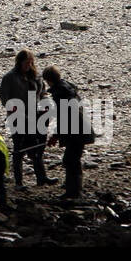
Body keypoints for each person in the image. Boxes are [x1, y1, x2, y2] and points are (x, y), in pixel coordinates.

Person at [42, 65, 95, 200]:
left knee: (70, 160)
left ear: (48, 80)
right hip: (81, 129)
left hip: (76, 132)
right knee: (73, 159)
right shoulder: (68, 89)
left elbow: (64, 118)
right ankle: (74, 187)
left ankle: (73, 191)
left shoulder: (60, 94)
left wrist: (55, 135)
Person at [0, 49, 51, 188]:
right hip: (18, 118)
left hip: (36, 116)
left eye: (30, 62)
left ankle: (42, 177)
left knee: (37, 146)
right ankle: (18, 182)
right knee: (19, 150)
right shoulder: (9, 77)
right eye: (26, 63)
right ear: (19, 62)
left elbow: (43, 93)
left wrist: (45, 104)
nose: (28, 65)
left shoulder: (36, 76)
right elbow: (4, 97)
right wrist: (12, 108)